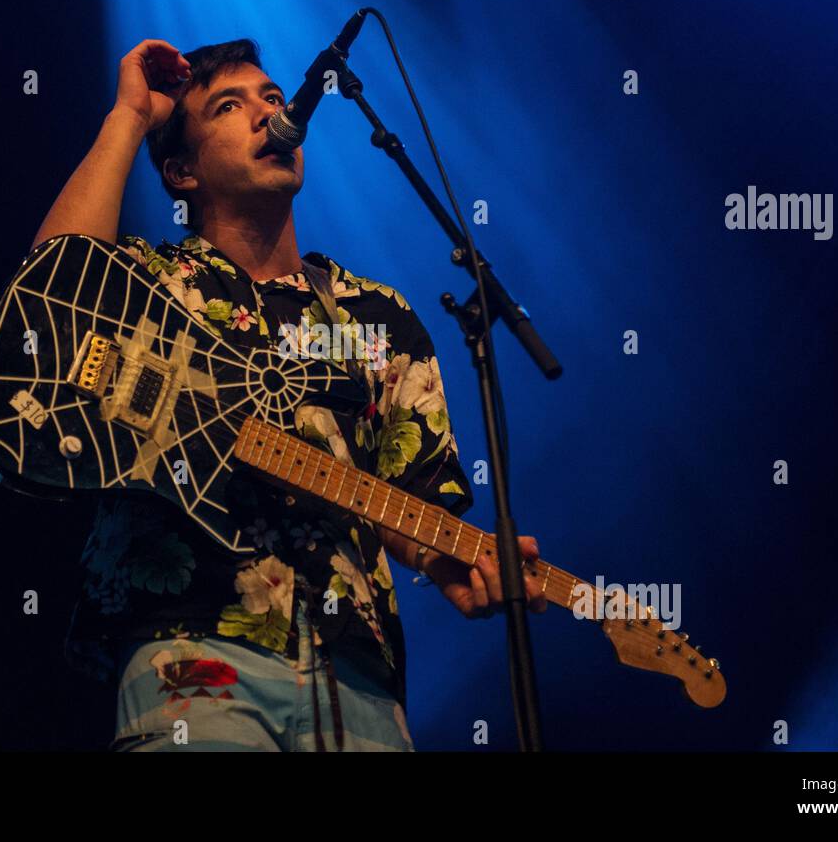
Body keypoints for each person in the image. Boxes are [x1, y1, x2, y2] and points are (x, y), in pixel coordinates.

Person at [32, 37, 548, 751]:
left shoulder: (375, 318)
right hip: (191, 649)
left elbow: (410, 494)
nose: (269, 113)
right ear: (181, 171)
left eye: (273, 98)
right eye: (230, 106)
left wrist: (447, 559)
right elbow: (46, 302)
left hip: (358, 671)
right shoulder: (151, 287)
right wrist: (129, 116)